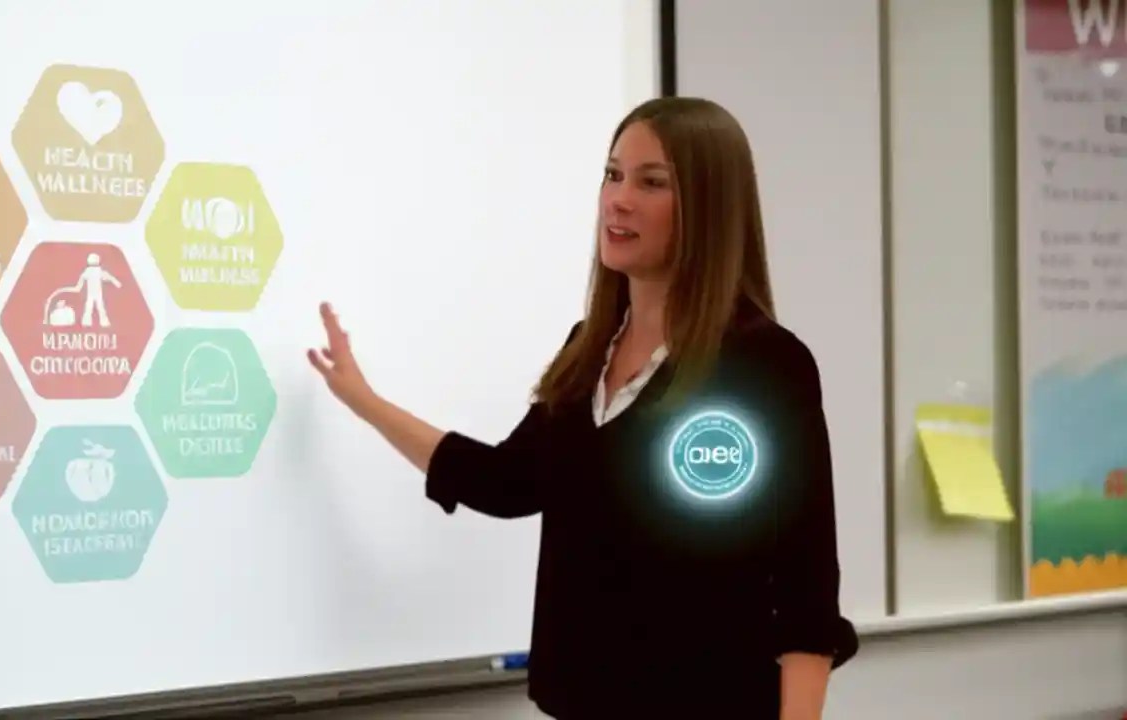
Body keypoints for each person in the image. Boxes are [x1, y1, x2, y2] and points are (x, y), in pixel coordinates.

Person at [307, 96, 859, 718]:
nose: (618, 199)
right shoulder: (587, 349)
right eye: (612, 174)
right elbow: (502, 481)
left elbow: (805, 588)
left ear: (708, 207)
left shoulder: (765, 365)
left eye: (652, 183)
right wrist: (363, 400)